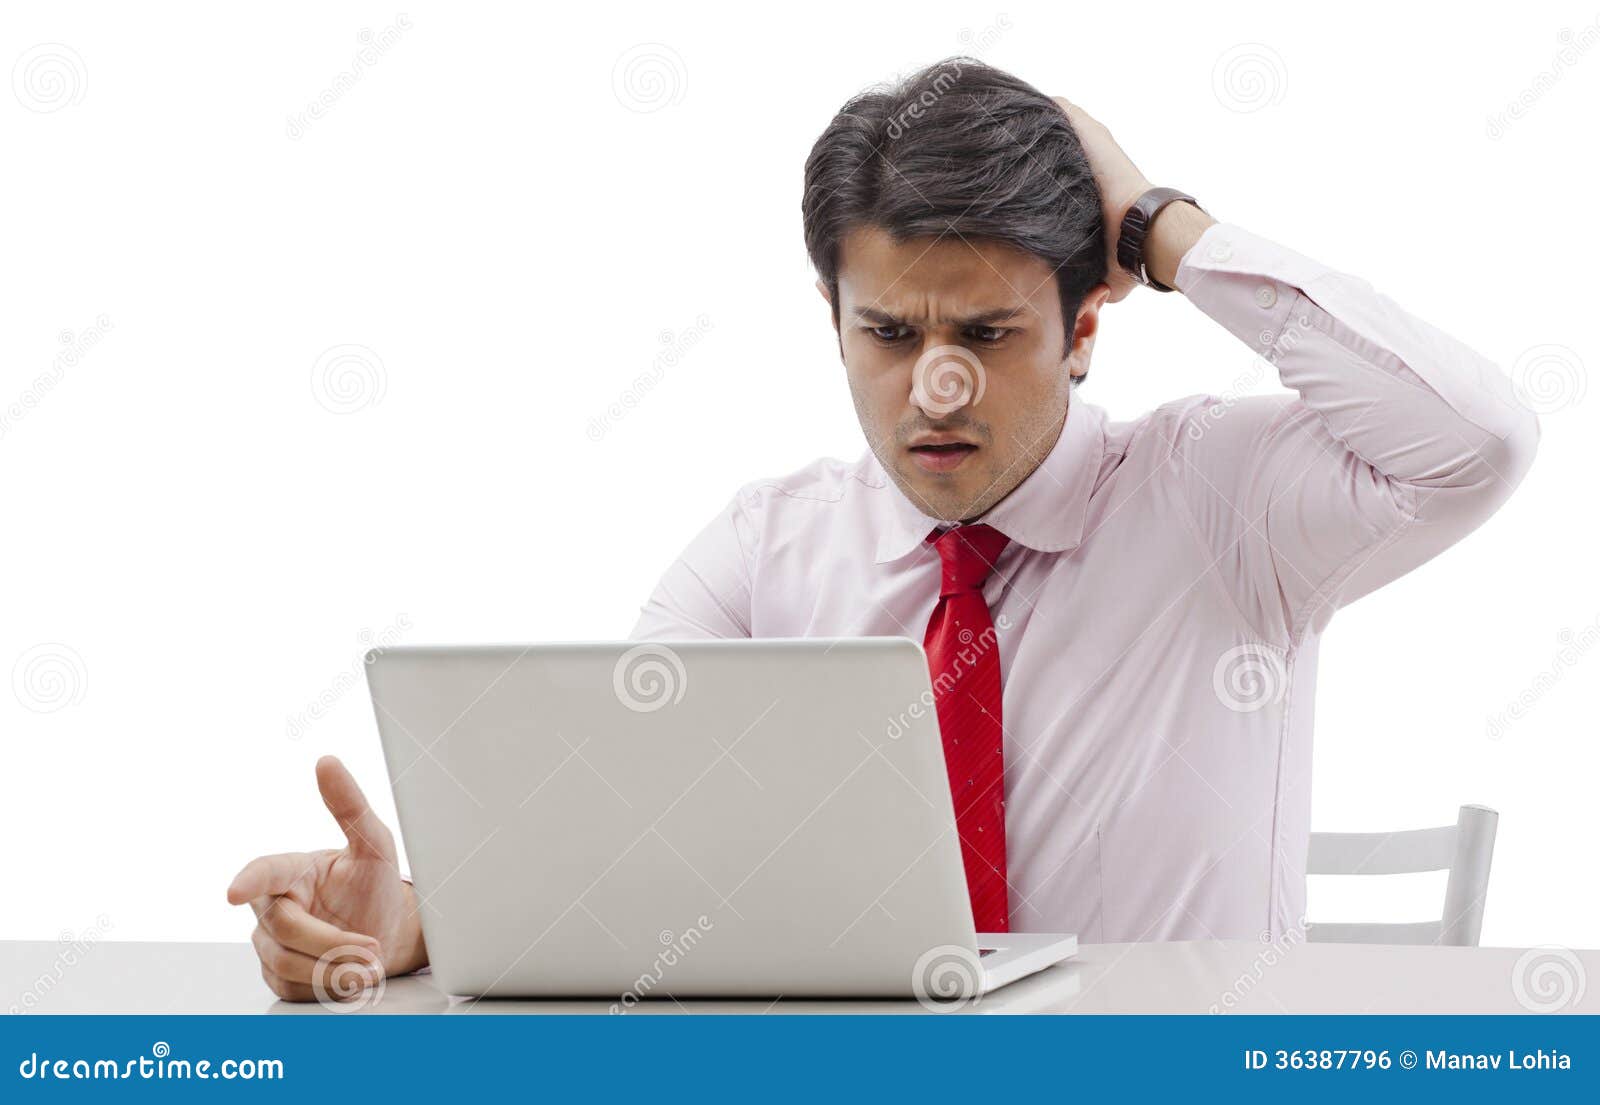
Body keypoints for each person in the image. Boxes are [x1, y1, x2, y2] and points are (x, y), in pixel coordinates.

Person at [230, 59, 1538, 1000]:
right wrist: (419, 921)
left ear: (1085, 328)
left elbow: (1476, 439)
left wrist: (1160, 226)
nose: (933, 389)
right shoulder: (764, 552)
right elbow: (624, 853)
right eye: (890, 333)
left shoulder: (1222, 503)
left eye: (988, 333)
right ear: (833, 318)